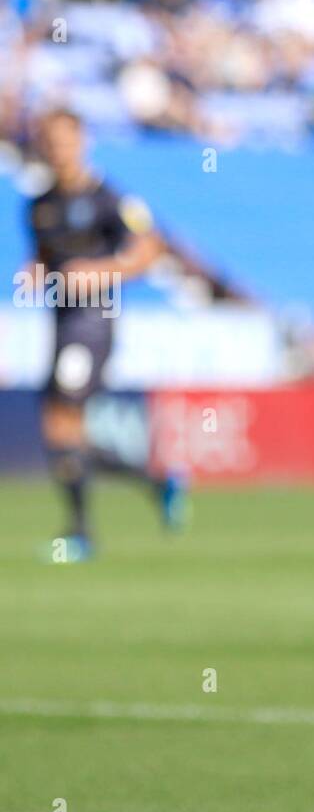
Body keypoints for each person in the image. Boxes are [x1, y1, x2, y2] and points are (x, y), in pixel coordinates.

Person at [21, 108, 188, 560]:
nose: (58, 151)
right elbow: (44, 257)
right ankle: (157, 481)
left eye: (65, 141)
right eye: (50, 143)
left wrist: (100, 272)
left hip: (93, 324)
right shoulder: (39, 205)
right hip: (61, 323)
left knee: (60, 426)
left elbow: (150, 249)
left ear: (82, 142)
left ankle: (80, 535)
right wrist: (35, 272)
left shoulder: (109, 199)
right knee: (62, 433)